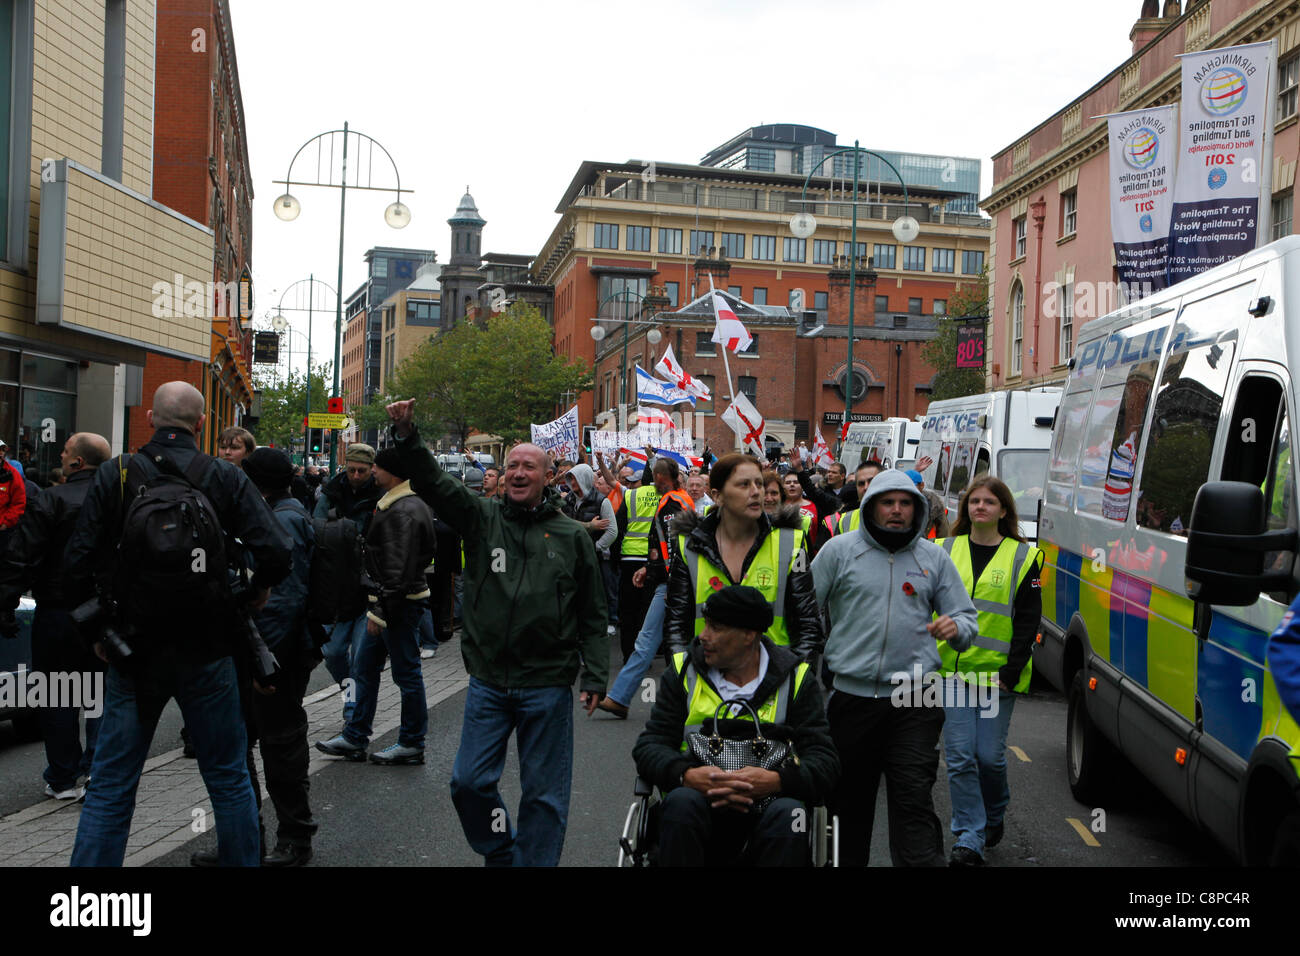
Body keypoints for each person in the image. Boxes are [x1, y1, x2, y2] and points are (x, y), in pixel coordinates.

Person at [65, 382, 292, 867]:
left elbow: (76, 563)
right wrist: (253, 592)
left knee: (110, 785)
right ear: (202, 424)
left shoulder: (117, 474)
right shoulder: (223, 477)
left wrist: (99, 633)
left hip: (133, 649)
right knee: (228, 778)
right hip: (208, 647)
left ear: (150, 418)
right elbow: (276, 550)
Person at [386, 399, 608, 866]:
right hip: (488, 679)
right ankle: (501, 851)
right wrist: (407, 434)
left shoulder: (572, 537)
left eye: (531, 466)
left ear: (549, 477)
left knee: (544, 797)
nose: (519, 473)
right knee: (469, 783)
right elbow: (433, 482)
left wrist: (594, 676)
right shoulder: (480, 518)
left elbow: (592, 611)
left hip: (546, 683)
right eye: (513, 466)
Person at [810, 468, 978, 867]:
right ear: (871, 507)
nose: (897, 511)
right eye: (888, 502)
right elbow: (802, 609)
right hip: (851, 693)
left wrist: (956, 628)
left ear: (918, 508)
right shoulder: (839, 550)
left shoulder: (933, 557)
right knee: (848, 801)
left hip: (916, 695)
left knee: (913, 796)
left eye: (906, 503)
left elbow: (966, 619)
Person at [632, 585, 840, 866]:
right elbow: (649, 746)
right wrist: (687, 776)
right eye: (705, 624)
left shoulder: (797, 679)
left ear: (749, 635)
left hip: (768, 814)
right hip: (696, 809)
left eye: (715, 628)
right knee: (681, 803)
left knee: (792, 814)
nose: (703, 636)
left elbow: (825, 761)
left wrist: (777, 781)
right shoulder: (683, 671)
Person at [0, 432, 112, 801]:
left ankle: (63, 776)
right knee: (101, 693)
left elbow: (21, 558)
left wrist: (6, 604)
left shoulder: (51, 500)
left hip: (58, 611)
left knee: (58, 694)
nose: (60, 456)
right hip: (107, 612)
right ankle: (98, 769)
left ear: (77, 462)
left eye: (65, 452)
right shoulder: (119, 502)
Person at [936, 476, 1041, 866]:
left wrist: (1011, 672)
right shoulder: (943, 549)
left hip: (997, 678)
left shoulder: (1023, 557)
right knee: (961, 756)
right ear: (965, 509)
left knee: (989, 757)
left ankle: (994, 813)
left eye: (989, 502)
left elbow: (1029, 620)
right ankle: (970, 833)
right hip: (951, 674)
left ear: (1003, 511)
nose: (980, 507)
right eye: (974, 501)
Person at [316, 447, 436, 765]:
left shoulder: (402, 509)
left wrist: (381, 613)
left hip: (396, 606)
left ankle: (411, 741)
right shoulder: (401, 504)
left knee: (405, 674)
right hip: (387, 603)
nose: (372, 473)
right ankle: (354, 735)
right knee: (363, 671)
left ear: (391, 472)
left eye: (376, 468)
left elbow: (399, 569)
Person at [237, 448, 320, 866]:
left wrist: (261, 662)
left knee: (280, 744)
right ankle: (246, 837)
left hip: (278, 657)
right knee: (249, 743)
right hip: (274, 652)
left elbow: (283, 602)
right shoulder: (283, 512)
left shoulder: (283, 518)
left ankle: (294, 838)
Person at [666, 453, 822, 662]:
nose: (756, 492)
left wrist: (794, 681)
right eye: (744, 484)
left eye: (759, 483)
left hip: (774, 680)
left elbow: (808, 624)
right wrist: (684, 677)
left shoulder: (792, 542)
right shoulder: (689, 545)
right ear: (717, 495)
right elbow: (676, 625)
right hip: (707, 678)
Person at [597, 456, 693, 718]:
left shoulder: (673, 504)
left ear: (660, 477)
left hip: (672, 584)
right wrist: (649, 569)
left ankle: (623, 697)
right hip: (671, 581)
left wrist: (665, 578)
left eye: (654, 474)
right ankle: (620, 697)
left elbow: (675, 548)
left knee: (654, 641)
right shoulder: (677, 499)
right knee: (654, 641)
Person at [314, 442, 382, 722]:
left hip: (367, 586)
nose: (356, 475)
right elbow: (315, 528)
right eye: (352, 470)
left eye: (362, 471)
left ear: (371, 469)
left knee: (360, 659)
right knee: (332, 653)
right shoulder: (331, 492)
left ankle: (353, 711)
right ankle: (351, 697)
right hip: (338, 585)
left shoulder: (380, 494)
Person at [906, 469, 951, 540]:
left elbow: (944, 532)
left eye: (912, 486)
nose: (909, 491)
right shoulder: (896, 501)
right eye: (906, 487)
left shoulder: (933, 501)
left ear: (922, 485)